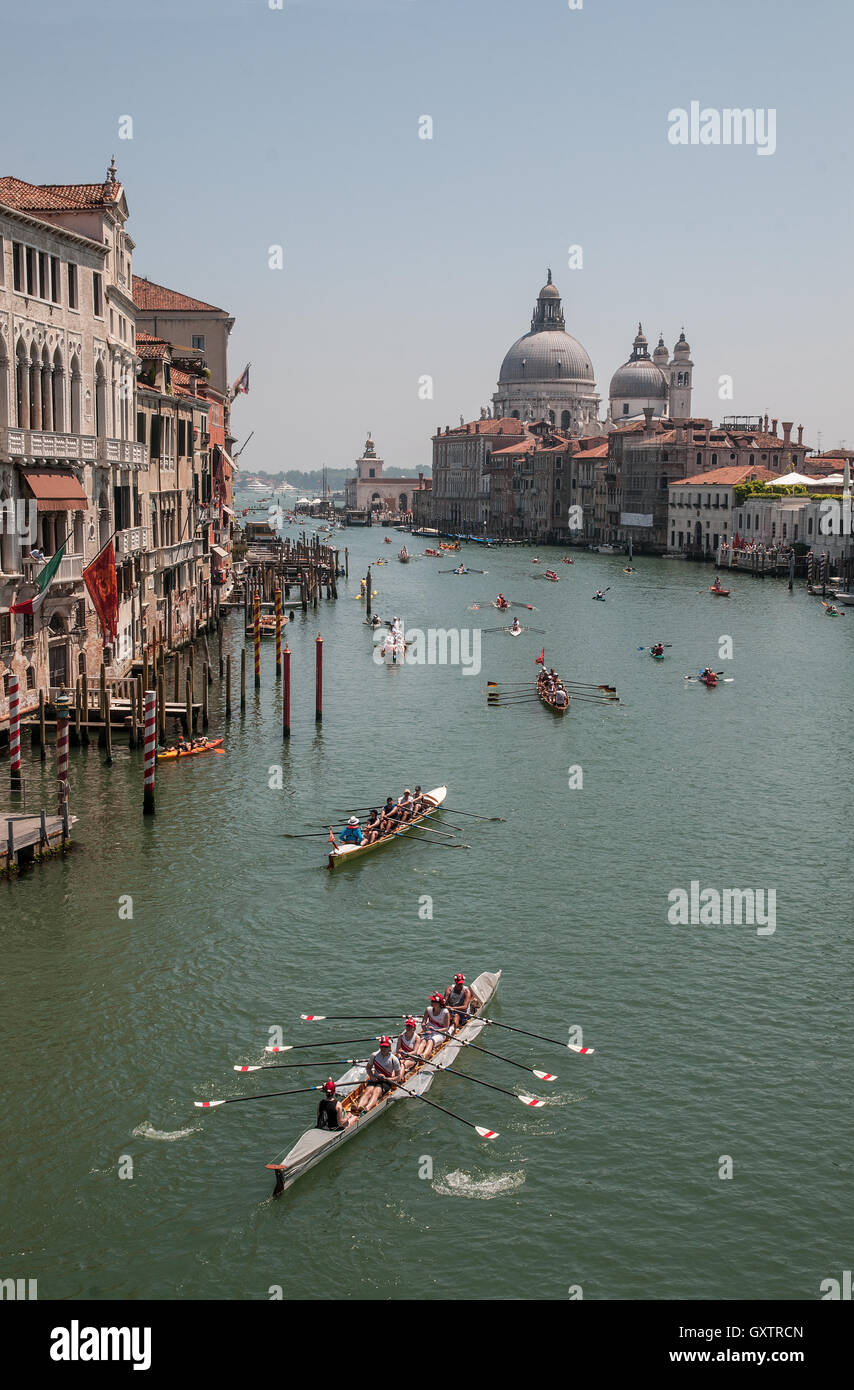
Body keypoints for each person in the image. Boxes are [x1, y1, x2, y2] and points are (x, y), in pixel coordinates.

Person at [359, 1037, 404, 1113]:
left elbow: (398, 1077)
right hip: (375, 1079)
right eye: (382, 1046)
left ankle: (367, 1109)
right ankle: (358, 1107)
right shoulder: (374, 1055)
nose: (383, 1048)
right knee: (368, 1090)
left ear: (389, 1047)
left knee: (376, 1091)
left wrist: (386, 1078)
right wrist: (372, 1076)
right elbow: (368, 1068)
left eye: (386, 1047)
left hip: (386, 1082)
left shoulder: (394, 1059)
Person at [415, 994, 453, 1059]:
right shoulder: (428, 1009)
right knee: (423, 1041)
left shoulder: (445, 1012)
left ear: (439, 1004)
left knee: (430, 1041)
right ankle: (416, 1056)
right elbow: (423, 1023)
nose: (431, 1003)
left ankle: (423, 1056)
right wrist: (425, 1030)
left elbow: (446, 1028)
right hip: (429, 1031)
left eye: (433, 1001)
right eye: (431, 1001)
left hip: (440, 1033)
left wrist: (436, 1030)